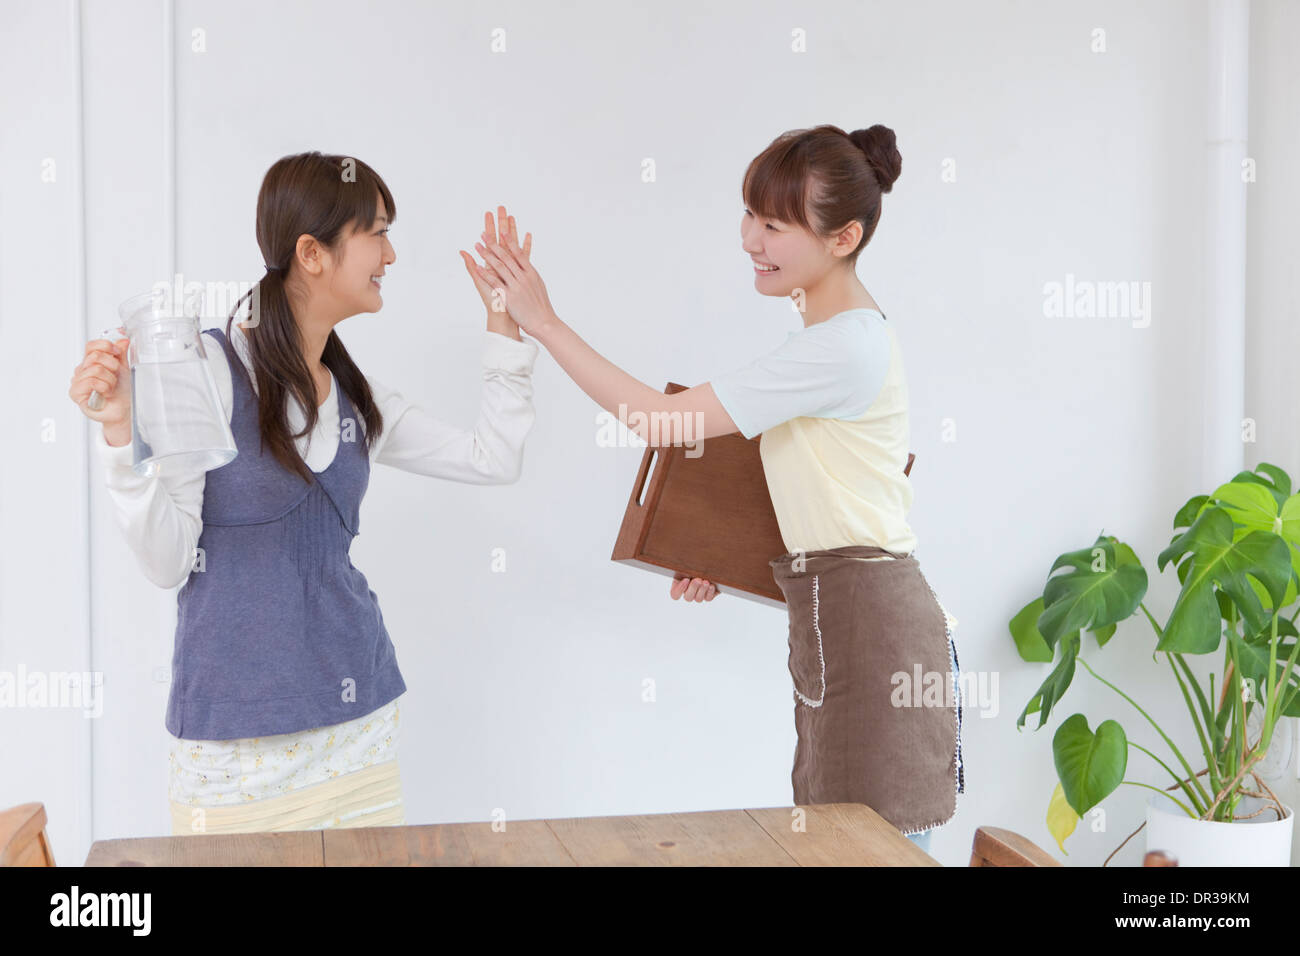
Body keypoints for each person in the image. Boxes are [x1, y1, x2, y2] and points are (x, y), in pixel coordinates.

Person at [468, 124, 963, 857]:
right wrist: (724, 559)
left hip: (873, 632)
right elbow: (822, 492)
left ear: (843, 236)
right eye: (749, 215)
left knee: (869, 848)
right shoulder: (829, 340)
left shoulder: (842, 346)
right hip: (848, 618)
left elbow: (662, 422)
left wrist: (542, 322)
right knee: (844, 844)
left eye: (773, 224)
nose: (748, 239)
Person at [69, 152, 540, 835]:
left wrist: (504, 318)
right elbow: (167, 561)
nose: (392, 253)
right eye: (376, 232)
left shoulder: (356, 397)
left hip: (360, 734)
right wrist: (120, 434)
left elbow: (491, 458)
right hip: (233, 756)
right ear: (312, 253)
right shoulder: (203, 368)